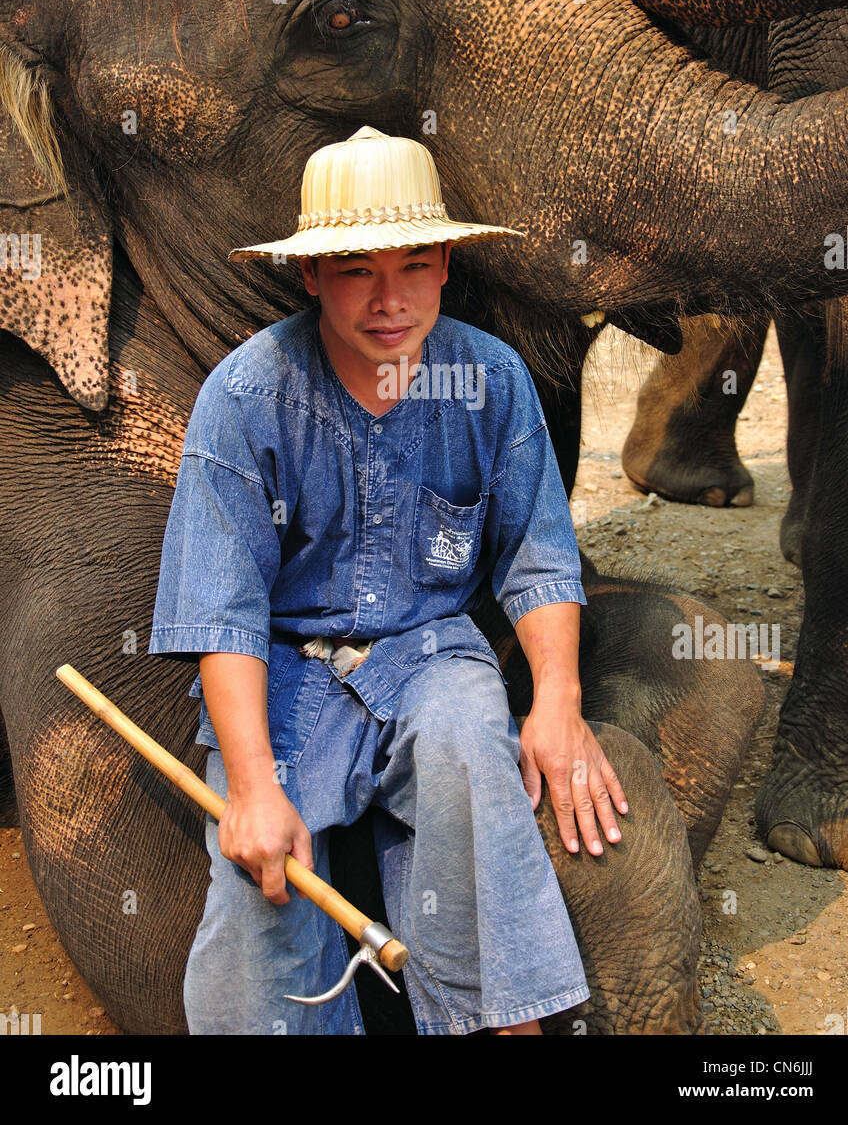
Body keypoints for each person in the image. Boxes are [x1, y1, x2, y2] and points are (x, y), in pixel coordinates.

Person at [147, 124, 628, 1036]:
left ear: (446, 263)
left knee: (473, 757)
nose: (388, 299)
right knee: (265, 890)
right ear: (310, 275)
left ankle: (500, 1023)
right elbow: (224, 610)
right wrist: (250, 784)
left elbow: (536, 557)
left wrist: (556, 703)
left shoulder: (491, 380)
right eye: (357, 269)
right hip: (287, 672)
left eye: (412, 264)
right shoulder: (245, 398)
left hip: (429, 654)